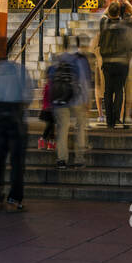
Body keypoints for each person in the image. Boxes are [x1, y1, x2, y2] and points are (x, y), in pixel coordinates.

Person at [0, 35, 33, 211]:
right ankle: (15, 199)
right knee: (17, 161)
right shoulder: (20, 70)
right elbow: (28, 96)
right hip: (16, 117)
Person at [48, 35, 92, 168]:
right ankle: (79, 159)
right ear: (77, 45)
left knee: (62, 129)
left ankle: (62, 159)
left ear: (65, 45)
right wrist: (87, 101)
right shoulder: (80, 59)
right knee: (80, 128)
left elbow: (50, 79)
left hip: (60, 99)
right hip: (77, 99)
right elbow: (84, 81)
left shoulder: (57, 59)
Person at [98, 1, 132, 128]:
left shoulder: (104, 23)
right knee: (119, 90)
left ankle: (110, 121)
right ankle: (116, 116)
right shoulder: (125, 24)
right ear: (119, 12)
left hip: (107, 61)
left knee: (108, 91)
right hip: (122, 61)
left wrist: (112, 2)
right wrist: (126, 2)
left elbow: (104, 14)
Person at [37, 70, 56, 152]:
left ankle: (49, 142)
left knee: (51, 125)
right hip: (49, 109)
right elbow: (45, 98)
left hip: (50, 109)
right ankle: (44, 140)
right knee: (50, 125)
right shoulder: (49, 86)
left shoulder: (49, 85)